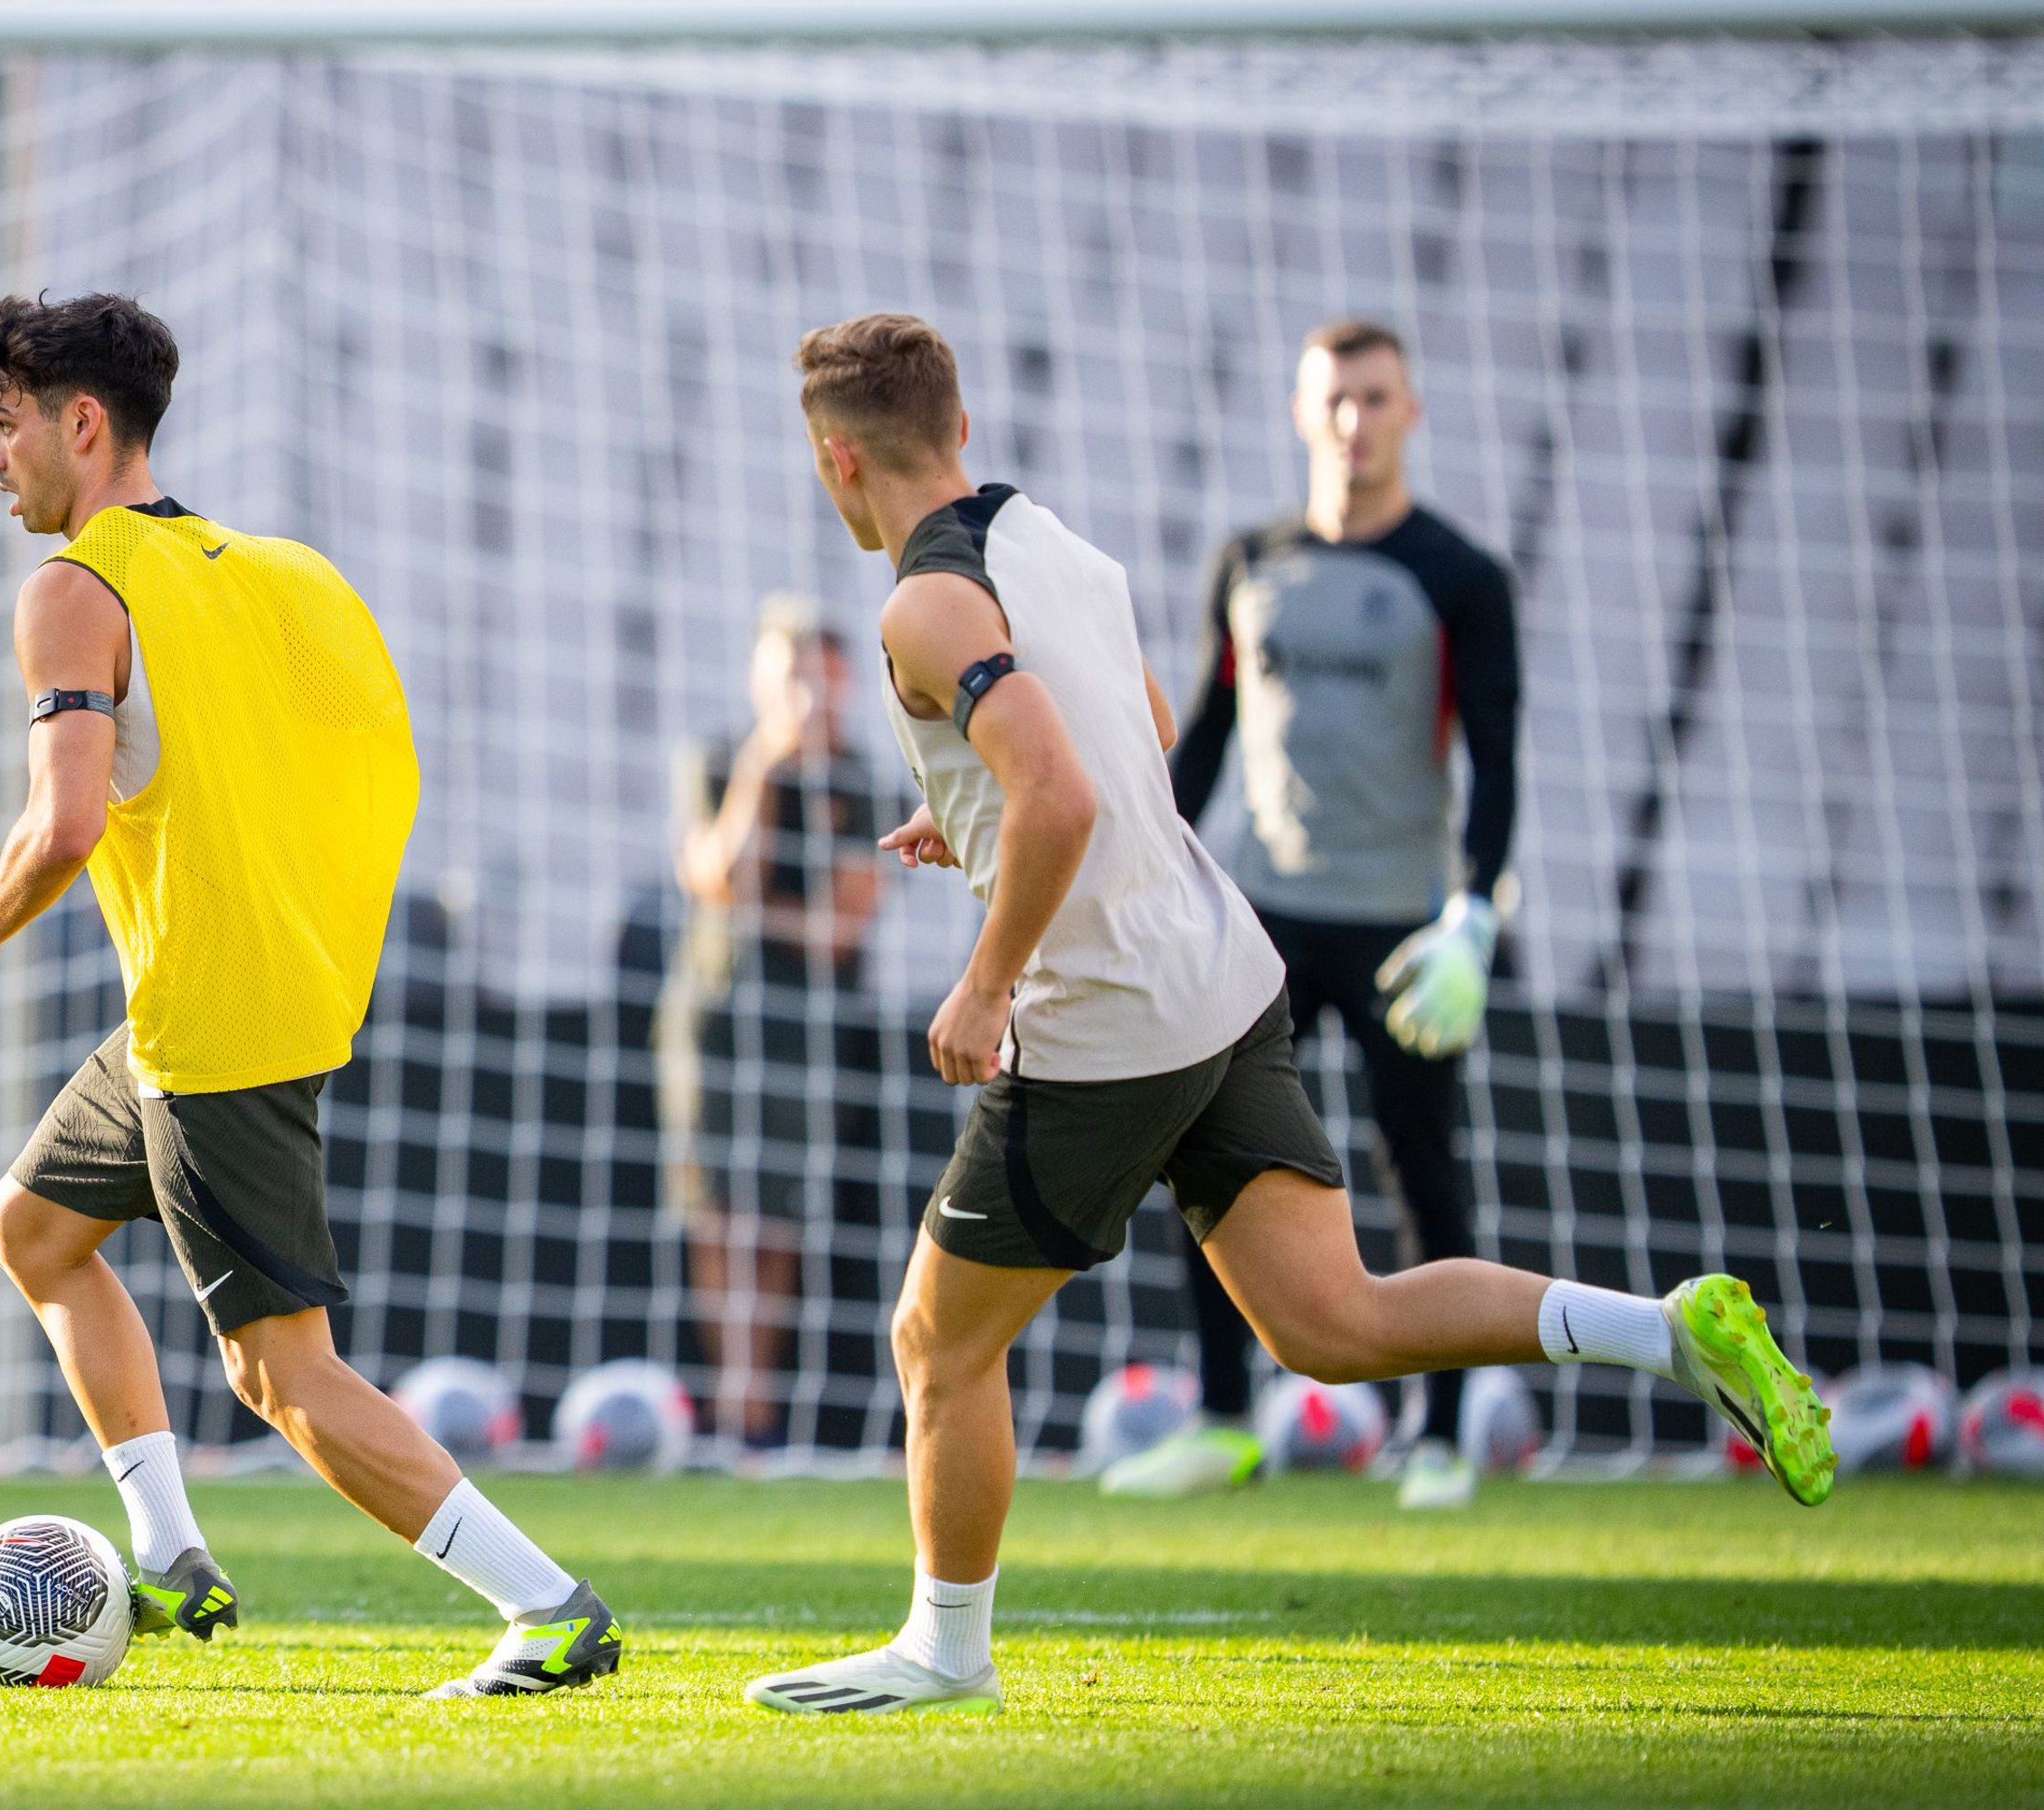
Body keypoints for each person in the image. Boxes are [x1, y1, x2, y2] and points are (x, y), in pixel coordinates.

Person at [741, 312, 1831, 1719]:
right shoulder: (1051, 541)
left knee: (936, 1342)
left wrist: (985, 980)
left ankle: (946, 1652)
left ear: (838, 460)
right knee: (1334, 1322)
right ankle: (1668, 1332)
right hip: (1225, 975)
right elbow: (1133, 727)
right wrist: (972, 812)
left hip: (1106, 1018)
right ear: (958, 428)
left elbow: (1062, 794)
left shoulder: (921, 605)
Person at [0, 291, 620, 1700]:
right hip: (245, 995)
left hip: (211, 1029)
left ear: (82, 422)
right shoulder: (287, 573)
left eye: (4, 425)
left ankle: (550, 1609)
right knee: (33, 1231)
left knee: (281, 1377)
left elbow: (65, 823)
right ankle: (173, 1557)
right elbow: (376, 767)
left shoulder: (72, 591)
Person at [1105, 319, 1522, 1511]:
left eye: (1375, 397)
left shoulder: (1459, 576)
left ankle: (1438, 1436)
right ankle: (1225, 1420)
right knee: (1206, 1151)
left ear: (1410, 412)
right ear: (1301, 413)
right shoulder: (1249, 563)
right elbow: (1204, 744)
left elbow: (1497, 765)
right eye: (1334, 398)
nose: (1354, 420)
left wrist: (1472, 919)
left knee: (1419, 1166)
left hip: (1402, 929)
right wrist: (1131, 864)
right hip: (1263, 921)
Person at [662, 597, 889, 1450]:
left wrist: (763, 911)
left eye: (819, 679)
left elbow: (841, 930)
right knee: (715, 1217)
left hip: (810, 1032)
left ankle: (759, 1418)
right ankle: (734, 1410)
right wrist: (763, 767)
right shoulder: (720, 762)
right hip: (713, 1022)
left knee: (778, 1219)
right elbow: (717, 875)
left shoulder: (863, 783)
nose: (805, 696)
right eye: (789, 677)